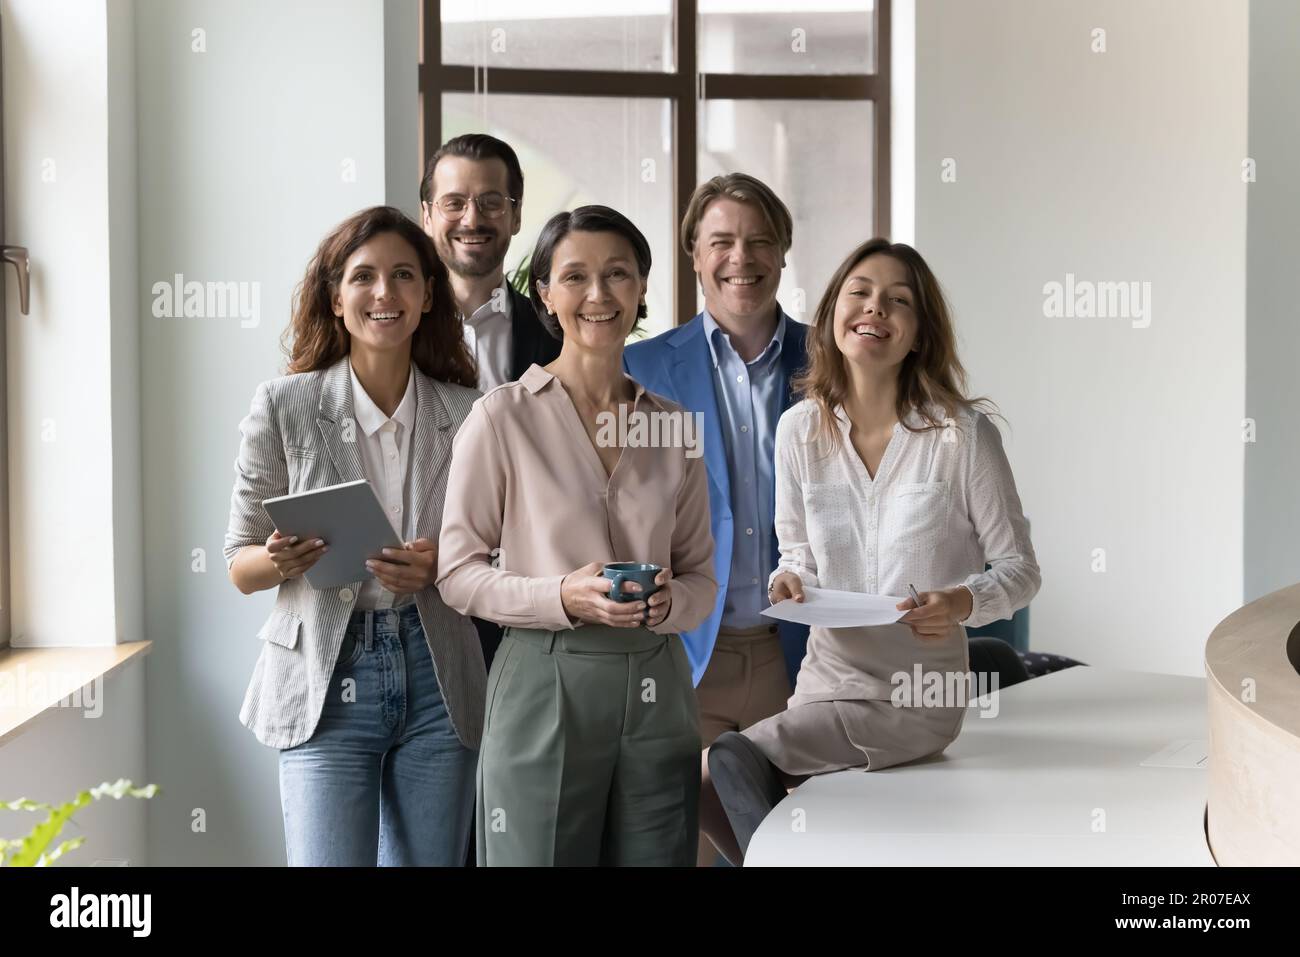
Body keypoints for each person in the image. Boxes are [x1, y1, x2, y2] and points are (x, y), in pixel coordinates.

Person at [705, 239, 1042, 863]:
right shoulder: (799, 429)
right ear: (834, 313)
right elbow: (797, 554)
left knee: (723, 764)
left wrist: (963, 600)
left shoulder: (961, 435)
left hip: (917, 694)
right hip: (825, 679)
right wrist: (789, 582)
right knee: (737, 799)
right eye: (859, 292)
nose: (874, 308)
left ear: (918, 333)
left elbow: (1020, 570)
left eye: (897, 300)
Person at [436, 205, 717, 866]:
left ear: (643, 288)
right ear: (544, 292)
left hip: (657, 681)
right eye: (576, 276)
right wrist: (562, 594)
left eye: (618, 274)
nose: (599, 294)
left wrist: (670, 604)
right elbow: (457, 572)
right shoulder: (500, 419)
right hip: (543, 677)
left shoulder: (675, 426)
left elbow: (703, 574)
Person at [224, 206, 484, 866]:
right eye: (363, 276)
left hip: (437, 673)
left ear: (429, 295)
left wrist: (441, 566)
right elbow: (238, 563)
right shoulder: (286, 406)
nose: (384, 293)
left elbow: (499, 550)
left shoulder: (471, 411)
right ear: (335, 297)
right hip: (323, 672)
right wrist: (279, 559)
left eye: (403, 275)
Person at [623, 173, 809, 866]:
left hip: (802, 656)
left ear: (784, 253)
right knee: (690, 851)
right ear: (694, 255)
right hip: (682, 659)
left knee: (798, 846)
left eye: (761, 240)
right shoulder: (638, 368)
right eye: (722, 241)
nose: (743, 257)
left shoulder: (833, 363)